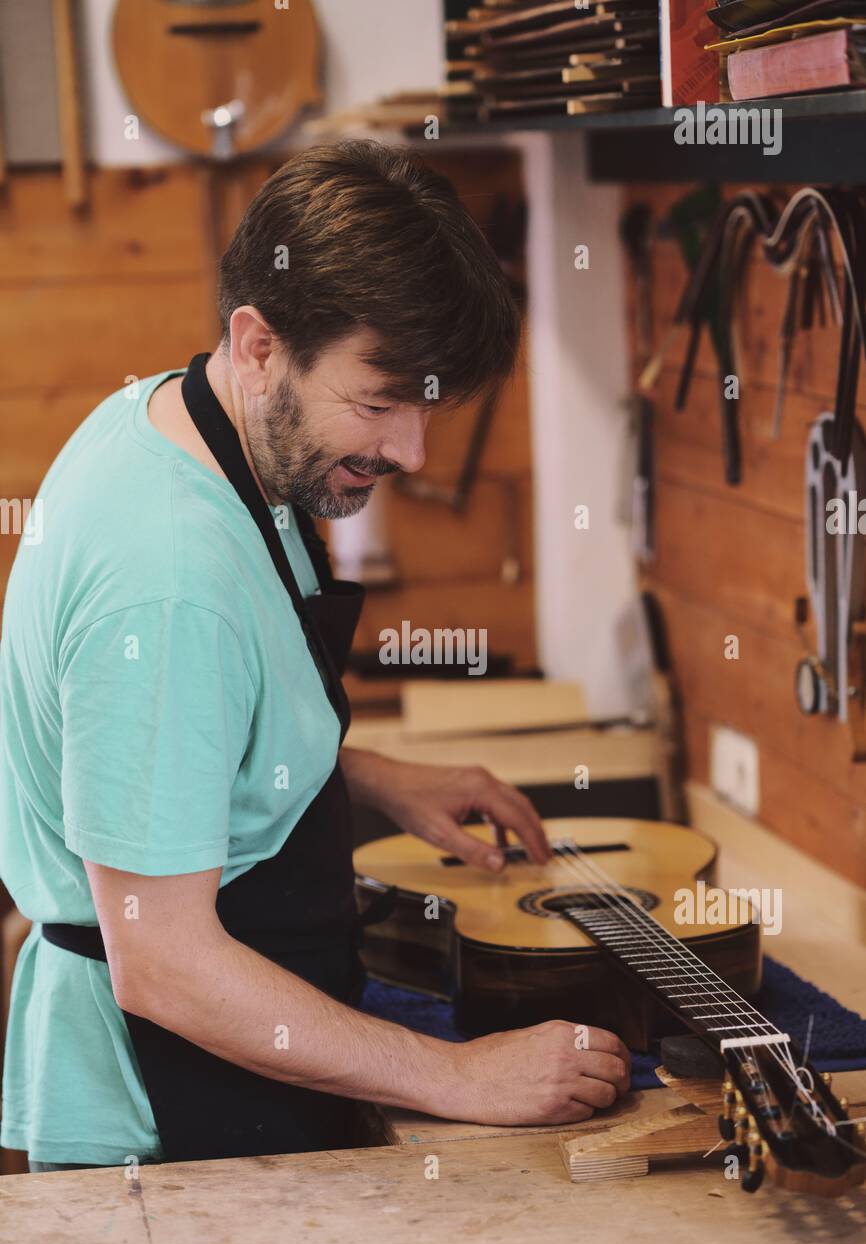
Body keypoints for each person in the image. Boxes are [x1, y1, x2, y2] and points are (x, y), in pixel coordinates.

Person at [0, 140, 630, 1171]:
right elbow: (162, 964)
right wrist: (459, 1074)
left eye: (426, 407)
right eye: (379, 400)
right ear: (258, 347)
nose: (412, 451)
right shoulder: (167, 575)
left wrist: (377, 780)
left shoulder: (192, 425)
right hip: (167, 1113)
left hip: (242, 1060)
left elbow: (188, 734)